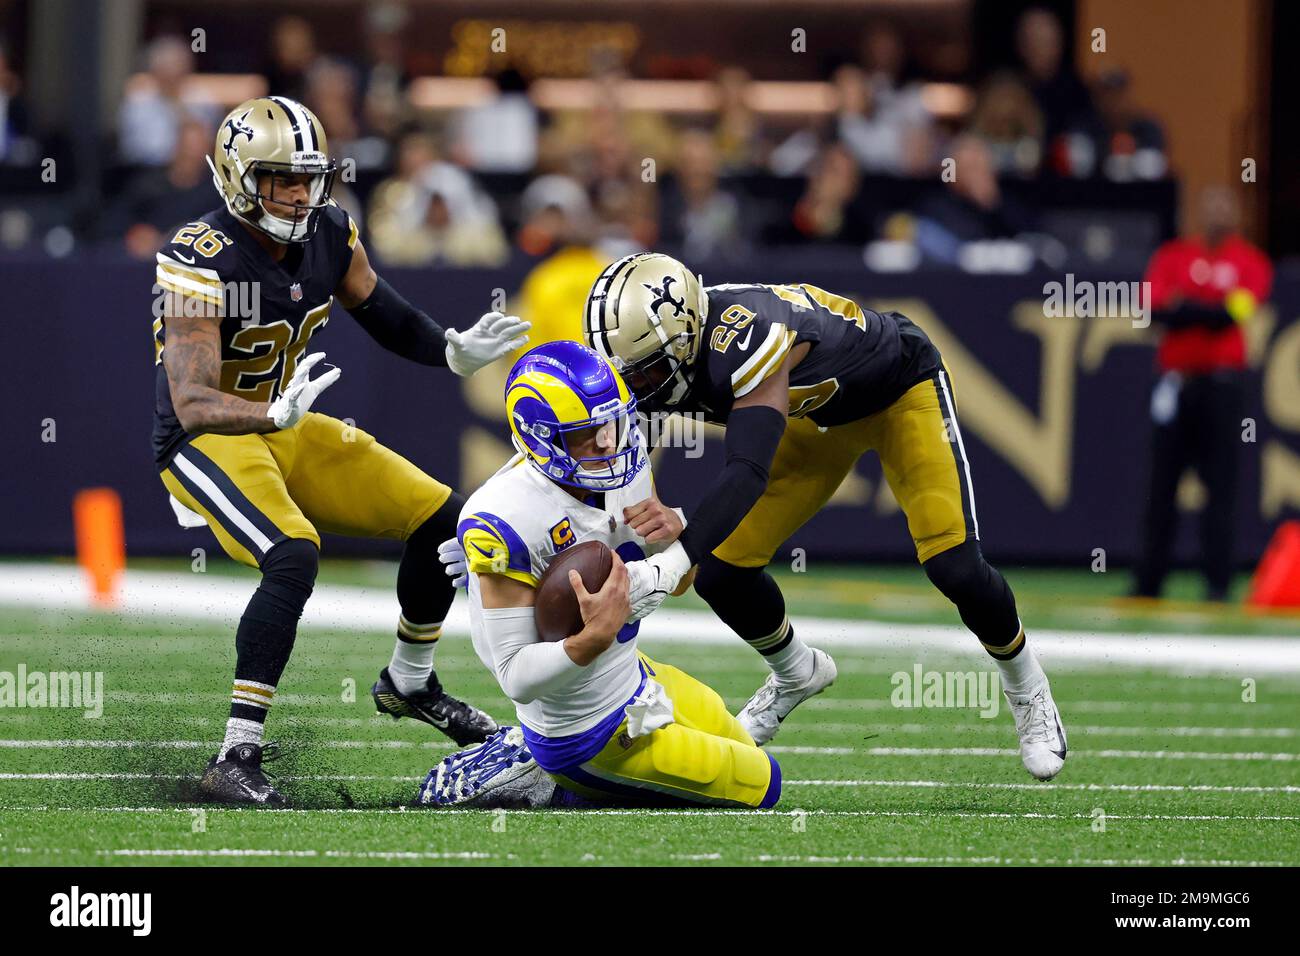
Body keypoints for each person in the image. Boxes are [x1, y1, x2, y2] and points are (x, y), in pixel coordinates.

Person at [152, 96, 528, 805]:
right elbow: (191, 399)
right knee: (294, 554)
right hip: (207, 438)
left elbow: (380, 311)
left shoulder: (330, 231)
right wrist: (268, 409)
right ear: (237, 177)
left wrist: (450, 350)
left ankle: (409, 683)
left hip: (287, 428)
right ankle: (235, 754)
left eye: (307, 177)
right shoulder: (199, 256)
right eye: (279, 179)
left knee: (445, 516)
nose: (298, 194)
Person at [581, 253, 1068, 781]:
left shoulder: (747, 338)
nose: (638, 382)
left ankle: (1026, 686)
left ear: (685, 335)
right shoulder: (666, 353)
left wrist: (673, 561)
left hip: (899, 392)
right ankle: (796, 673)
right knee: (722, 573)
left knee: (954, 565)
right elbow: (611, 466)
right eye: (626, 368)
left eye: (647, 367)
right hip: (813, 418)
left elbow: (747, 470)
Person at [423, 341, 782, 809]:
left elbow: (680, 583)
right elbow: (515, 677)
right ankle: (549, 782)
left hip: (635, 673)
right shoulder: (504, 517)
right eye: (586, 432)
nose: (610, 443)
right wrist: (590, 639)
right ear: (541, 437)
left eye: (612, 423)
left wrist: (677, 539)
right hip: (581, 729)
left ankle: (541, 764)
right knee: (765, 785)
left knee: (746, 747)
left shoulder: (623, 467)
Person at [1133, 186, 1272, 601]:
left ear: (1237, 214)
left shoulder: (1250, 261)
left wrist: (1187, 308)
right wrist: (1206, 310)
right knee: (1161, 486)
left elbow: (1236, 312)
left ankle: (1217, 584)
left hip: (1222, 386)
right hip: (1177, 383)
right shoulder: (1173, 256)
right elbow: (1153, 311)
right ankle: (1149, 582)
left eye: (1224, 205)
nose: (1217, 213)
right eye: (1209, 205)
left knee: (1221, 487)